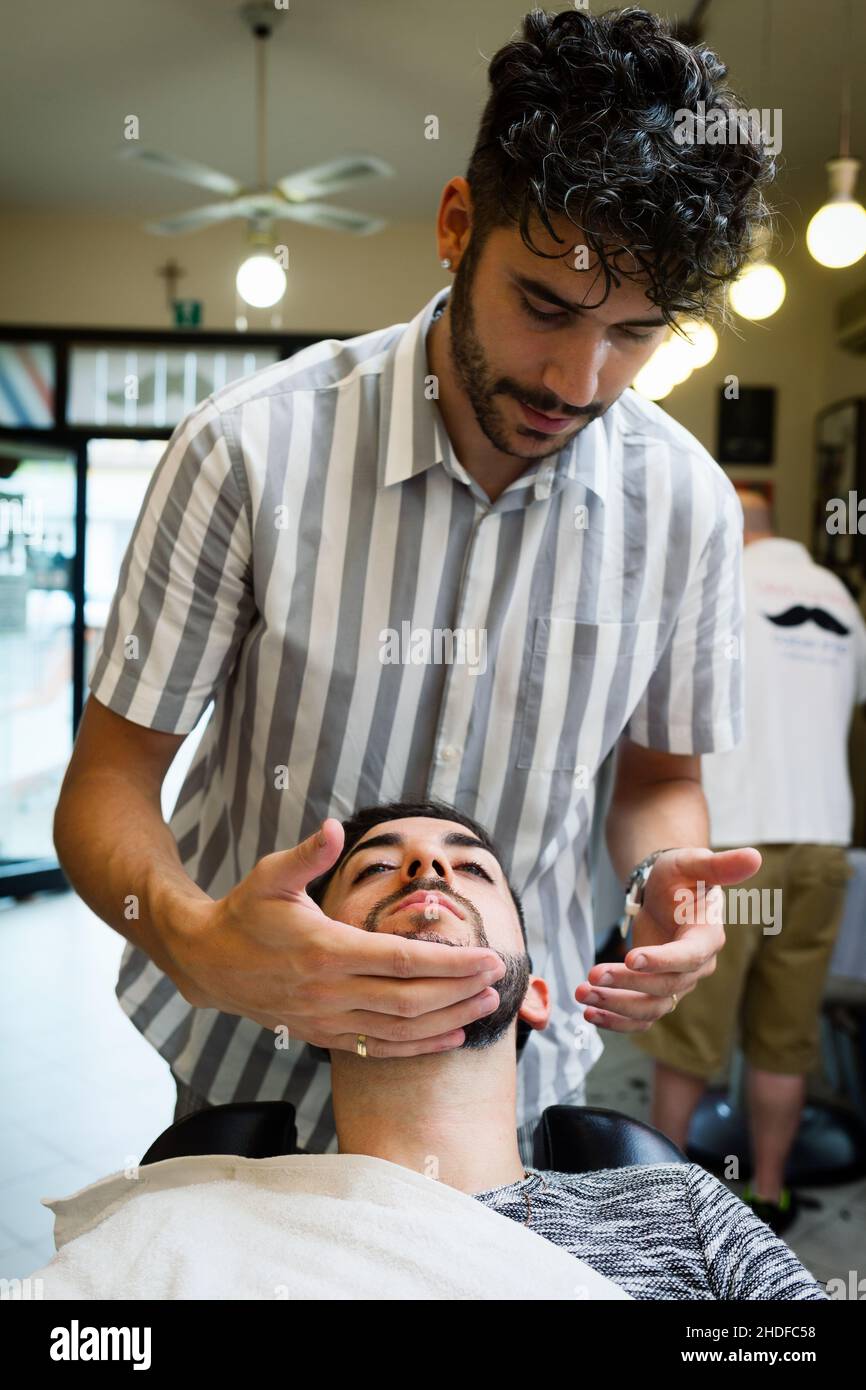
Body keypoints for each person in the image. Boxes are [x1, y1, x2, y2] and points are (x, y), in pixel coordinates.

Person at [53, 7, 776, 1161]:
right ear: (455, 225)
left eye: (634, 335)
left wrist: (659, 879)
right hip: (251, 1046)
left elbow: (658, 776)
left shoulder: (681, 506)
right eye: (544, 305)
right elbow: (106, 781)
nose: (576, 380)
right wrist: (192, 937)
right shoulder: (248, 450)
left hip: (502, 1064)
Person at [30, 801, 827, 1301]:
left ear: (536, 994)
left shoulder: (679, 1215)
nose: (427, 867)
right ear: (295, 993)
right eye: (378, 866)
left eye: (471, 867)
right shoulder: (178, 1220)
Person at [632, 488, 866, 1234]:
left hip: (731, 849)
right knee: (786, 1033)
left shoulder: (719, 585)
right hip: (825, 844)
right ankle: (770, 1190)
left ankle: (666, 1205)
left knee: (689, 1034)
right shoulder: (841, 600)